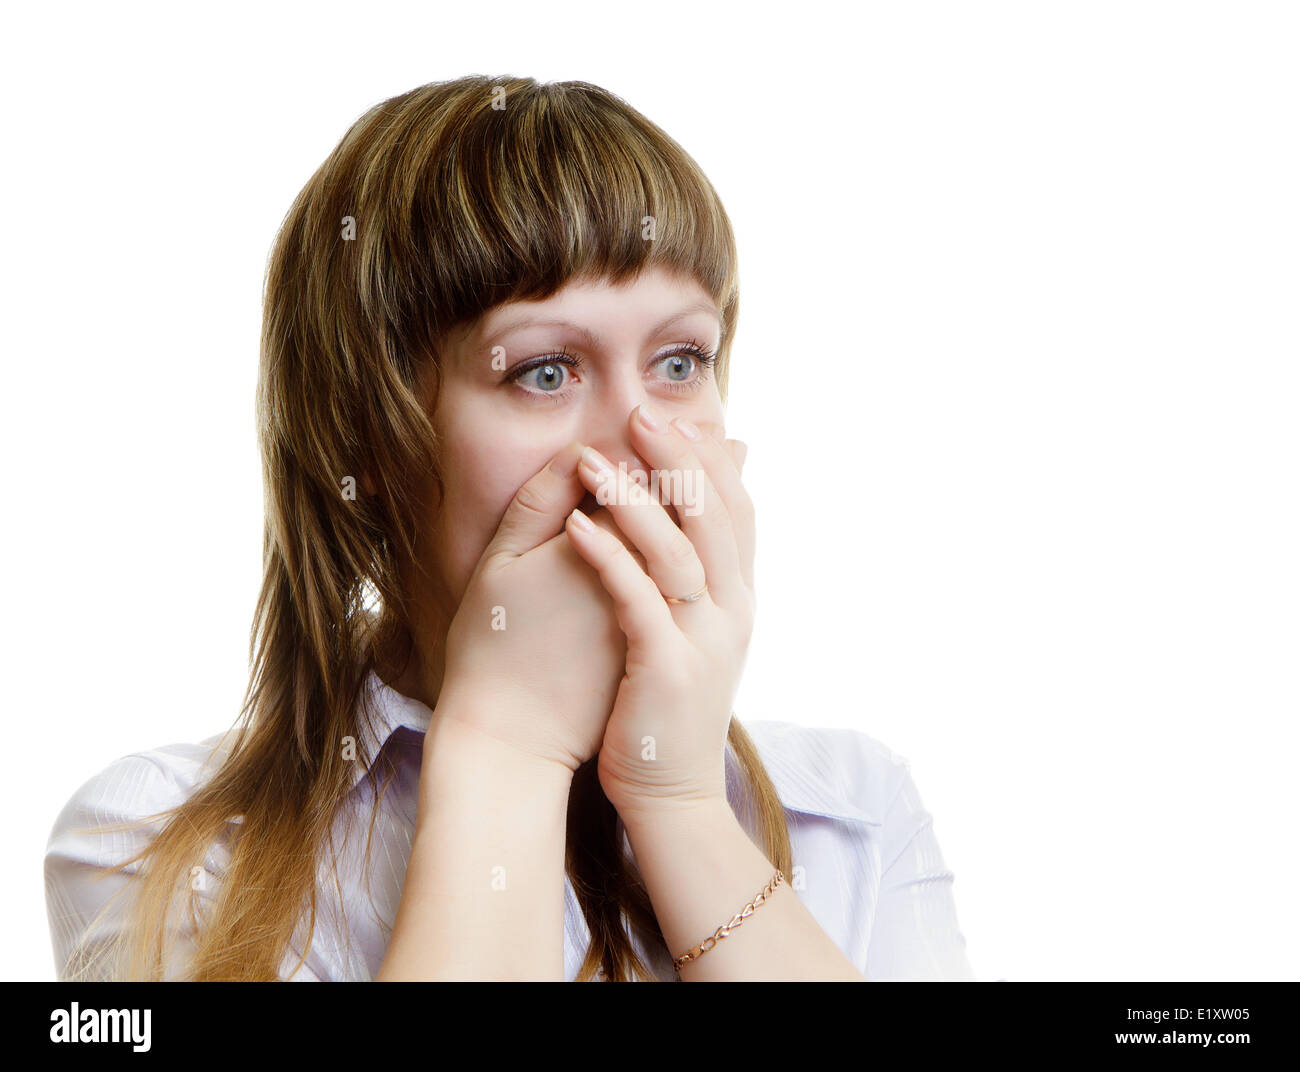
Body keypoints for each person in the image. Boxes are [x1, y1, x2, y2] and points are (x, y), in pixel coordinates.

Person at [43, 74, 975, 982]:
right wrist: (507, 750)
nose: (635, 443)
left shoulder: (854, 814)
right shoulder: (155, 850)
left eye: (681, 360)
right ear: (369, 435)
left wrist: (681, 805)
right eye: (544, 371)